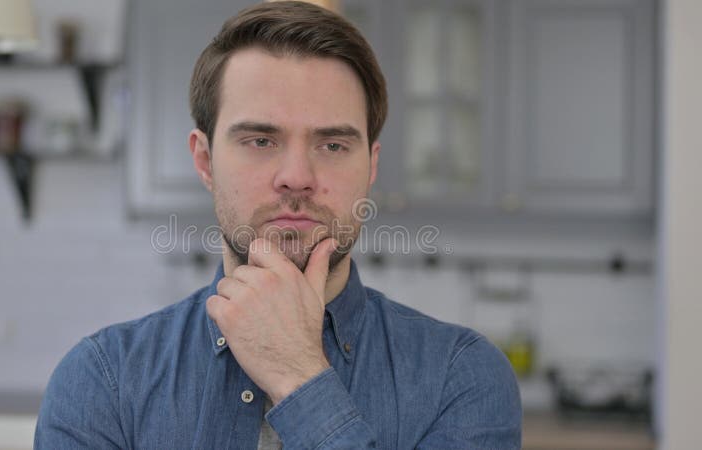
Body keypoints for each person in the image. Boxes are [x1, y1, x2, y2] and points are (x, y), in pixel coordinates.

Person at [34, 2, 521, 448]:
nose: (297, 178)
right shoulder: (103, 380)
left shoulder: (463, 376)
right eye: (261, 140)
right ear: (204, 161)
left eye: (332, 145)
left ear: (370, 166)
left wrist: (299, 377)